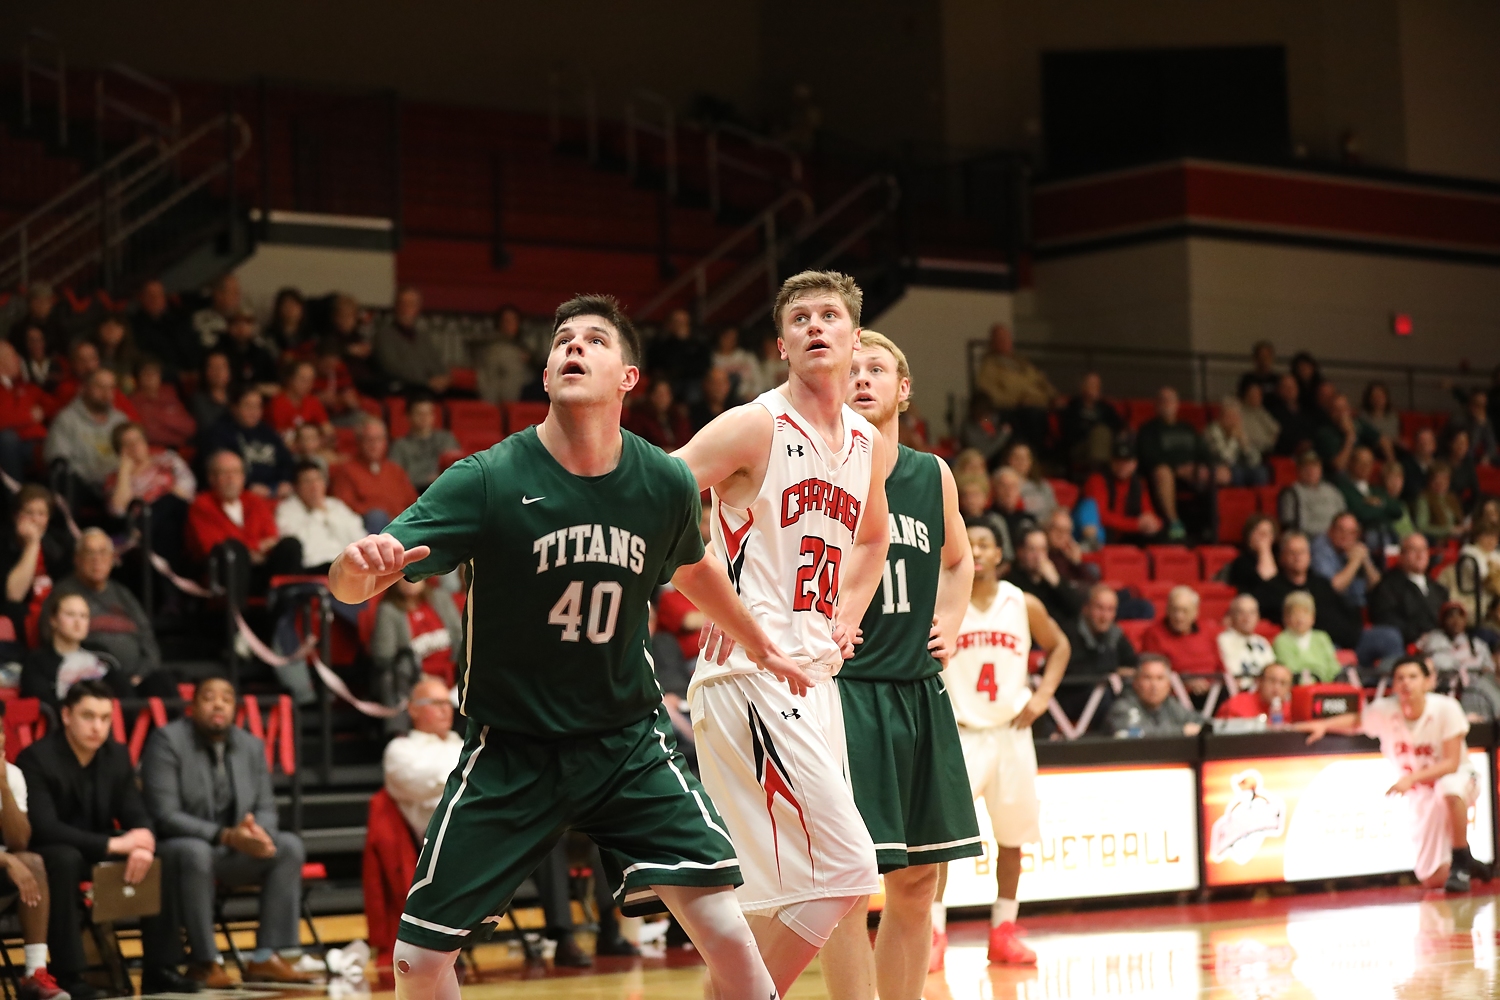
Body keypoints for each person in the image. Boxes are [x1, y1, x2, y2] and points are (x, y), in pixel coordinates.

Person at [328, 293, 797, 1000]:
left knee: (729, 933)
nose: (574, 347)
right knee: (417, 961)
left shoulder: (665, 482)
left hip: (625, 745)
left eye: (595, 340)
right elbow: (359, 580)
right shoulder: (486, 480)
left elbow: (692, 568)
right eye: (563, 342)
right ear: (546, 376)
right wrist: (354, 570)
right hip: (512, 750)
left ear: (628, 377)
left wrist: (760, 643)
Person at [672, 270, 888, 998]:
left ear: (854, 339)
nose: (816, 327)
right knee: (850, 867)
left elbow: (872, 539)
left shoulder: (865, 442)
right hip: (748, 677)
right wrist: (737, 619)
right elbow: (656, 502)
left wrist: (847, 619)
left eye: (831, 316)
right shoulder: (753, 425)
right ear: (781, 344)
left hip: (813, 680)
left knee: (794, 894)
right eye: (801, 319)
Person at [819, 332, 980, 999]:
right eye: (850, 369)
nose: (861, 378)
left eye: (876, 368)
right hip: (846, 693)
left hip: (918, 691)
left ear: (903, 387)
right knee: (851, 886)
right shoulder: (816, 471)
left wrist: (954, 618)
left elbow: (960, 558)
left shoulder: (932, 474)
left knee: (918, 882)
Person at [928, 521, 1068, 969]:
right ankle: (933, 934)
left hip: (1011, 734)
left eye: (987, 543)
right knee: (942, 840)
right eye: (971, 543)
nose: (979, 550)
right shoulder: (942, 599)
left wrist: (1043, 695)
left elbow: (1060, 645)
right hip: (961, 733)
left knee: (1013, 838)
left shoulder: (1022, 602)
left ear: (1001, 554)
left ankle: (1004, 931)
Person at [18, 679, 192, 998]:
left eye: (104, 718)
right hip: (54, 855)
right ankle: (69, 975)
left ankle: (160, 969)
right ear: (67, 715)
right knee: (63, 858)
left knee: (160, 856)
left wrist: (143, 841)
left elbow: (136, 813)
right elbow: (43, 827)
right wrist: (114, 845)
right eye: (88, 716)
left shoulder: (116, 755)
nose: (97, 727)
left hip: (97, 848)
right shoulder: (36, 758)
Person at [141, 676, 318, 986]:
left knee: (288, 846)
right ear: (192, 707)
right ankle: (205, 961)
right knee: (195, 852)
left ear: (235, 707)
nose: (218, 703)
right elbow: (165, 815)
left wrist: (258, 835)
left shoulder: (250, 745)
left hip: (233, 850)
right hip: (181, 851)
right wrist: (225, 835)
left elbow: (266, 807)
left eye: (226, 697)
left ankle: (266, 957)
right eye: (208, 697)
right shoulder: (167, 741)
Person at [1301, 656, 1486, 891]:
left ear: (1427, 682)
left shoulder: (1446, 708)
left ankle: (1461, 859)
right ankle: (1471, 866)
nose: (1406, 683)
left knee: (1448, 787)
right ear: (1394, 685)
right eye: (1400, 678)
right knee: (1432, 879)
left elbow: (1451, 764)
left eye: (1413, 677)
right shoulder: (1384, 710)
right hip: (1422, 793)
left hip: (1461, 778)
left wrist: (1409, 779)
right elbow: (1358, 722)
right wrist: (1324, 725)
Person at [1254, 530, 1403, 671]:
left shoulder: (1320, 582)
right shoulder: (1273, 588)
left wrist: (1354, 629)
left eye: (1302, 552)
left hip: (1353, 638)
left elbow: (1347, 608)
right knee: (1330, 657)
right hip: (1319, 645)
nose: (1298, 556)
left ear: (1309, 556)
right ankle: (1354, 682)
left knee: (1390, 637)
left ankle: (1382, 683)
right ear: (1282, 557)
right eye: (1292, 552)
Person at [41, 530, 166, 690]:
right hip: (93, 678)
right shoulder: (63, 594)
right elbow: (50, 637)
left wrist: (140, 675)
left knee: (163, 682)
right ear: (77, 559)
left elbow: (147, 639)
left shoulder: (123, 594)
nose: (97, 559)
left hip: (137, 677)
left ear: (112, 559)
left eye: (102, 553)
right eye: (90, 553)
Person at [0, 721, 63, 1000]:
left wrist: (2, 786)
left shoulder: (12, 775)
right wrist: (5, 861)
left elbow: (18, 842)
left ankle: (34, 974)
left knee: (32, 862)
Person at [186, 450, 303, 596]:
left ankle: (285, 612)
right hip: (225, 574)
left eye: (236, 472)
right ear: (211, 478)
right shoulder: (202, 505)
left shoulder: (254, 501)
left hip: (261, 571)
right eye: (224, 473)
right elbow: (213, 547)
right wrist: (256, 546)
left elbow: (271, 538)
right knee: (234, 551)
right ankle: (237, 615)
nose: (231, 478)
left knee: (291, 545)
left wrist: (252, 549)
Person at [381, 675, 463, 837]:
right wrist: (471, 772)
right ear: (413, 709)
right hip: (441, 838)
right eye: (436, 703)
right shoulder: (401, 749)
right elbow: (422, 786)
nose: (445, 709)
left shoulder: (465, 744)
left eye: (448, 703)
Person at [22, 593, 133, 709]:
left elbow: (127, 698)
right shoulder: (37, 661)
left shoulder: (103, 654)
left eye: (84, 616)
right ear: (53, 620)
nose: (78, 622)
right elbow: (43, 708)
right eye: (70, 615)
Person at [104, 421, 194, 564]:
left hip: (177, 514)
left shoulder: (167, 459)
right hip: (154, 532)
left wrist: (156, 507)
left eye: (138, 440)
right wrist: (125, 472)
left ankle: (137, 533)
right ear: (119, 451)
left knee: (169, 501)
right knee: (165, 528)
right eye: (127, 443)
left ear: (145, 442)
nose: (134, 447)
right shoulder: (115, 478)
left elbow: (187, 490)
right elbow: (118, 511)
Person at [371, 577, 463, 711]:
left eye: (414, 575)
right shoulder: (388, 610)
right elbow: (384, 656)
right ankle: (398, 731)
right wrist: (420, 677)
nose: (410, 581)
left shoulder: (440, 598)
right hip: (415, 681)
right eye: (403, 578)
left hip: (453, 677)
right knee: (389, 678)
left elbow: (460, 638)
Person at [1137, 386, 1213, 542]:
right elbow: (1149, 458)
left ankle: (1211, 524)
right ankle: (1173, 522)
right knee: (1163, 471)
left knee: (1214, 472)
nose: (1167, 404)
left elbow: (1204, 452)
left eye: (1171, 400)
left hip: (1192, 473)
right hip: (1163, 475)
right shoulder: (1148, 429)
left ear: (1177, 404)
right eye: (1163, 400)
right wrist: (1178, 469)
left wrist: (1199, 467)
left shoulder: (1187, 428)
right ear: (1156, 405)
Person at [2, 485, 70, 654]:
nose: (35, 520)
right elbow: (13, 596)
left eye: (41, 514)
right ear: (16, 516)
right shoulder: (3, 544)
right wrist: (32, 544)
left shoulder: (59, 545)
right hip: (17, 619)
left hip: (52, 615)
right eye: (29, 513)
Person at [44, 369, 129, 498]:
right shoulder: (67, 419)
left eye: (111, 388)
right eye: (100, 387)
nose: (107, 394)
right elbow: (58, 459)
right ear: (84, 388)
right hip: (83, 487)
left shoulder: (121, 420)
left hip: (118, 486)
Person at [202, 388, 296, 499]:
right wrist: (247, 486)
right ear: (234, 408)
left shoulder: (267, 432)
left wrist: (284, 481)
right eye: (248, 406)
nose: (254, 411)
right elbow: (220, 470)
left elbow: (286, 461)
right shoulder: (219, 433)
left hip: (275, 491)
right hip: (240, 493)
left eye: (258, 406)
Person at [973, 323, 1055, 450]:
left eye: (1007, 338)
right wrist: (1018, 400)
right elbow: (988, 393)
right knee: (1029, 418)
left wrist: (1052, 397)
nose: (1005, 342)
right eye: (1001, 339)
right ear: (993, 342)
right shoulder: (989, 366)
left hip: (1036, 404)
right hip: (1010, 409)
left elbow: (1041, 382)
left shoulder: (1022, 363)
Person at [330, 417, 418, 532]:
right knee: (376, 517)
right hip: (369, 527)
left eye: (379, 439)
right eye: (369, 440)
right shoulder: (347, 470)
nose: (374, 445)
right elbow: (344, 507)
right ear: (359, 442)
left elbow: (413, 502)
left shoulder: (395, 470)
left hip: (401, 524)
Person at [276, 461, 366, 571]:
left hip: (344, 565)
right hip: (311, 569)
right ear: (296, 487)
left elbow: (358, 537)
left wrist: (328, 515)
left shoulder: (336, 505)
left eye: (318, 480)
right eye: (307, 481)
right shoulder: (287, 509)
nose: (314, 486)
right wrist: (317, 513)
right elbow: (300, 549)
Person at [1370, 532, 1450, 646]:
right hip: (1409, 644)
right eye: (1413, 550)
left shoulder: (1439, 589)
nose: (1420, 555)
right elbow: (1387, 619)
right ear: (1401, 556)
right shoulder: (1388, 586)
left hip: (1443, 642)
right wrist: (1417, 635)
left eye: (1423, 550)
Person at [1082, 435, 1163, 543]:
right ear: (1111, 461)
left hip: (1127, 535)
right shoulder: (1097, 479)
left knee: (1159, 536)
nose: (1122, 466)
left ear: (1135, 464)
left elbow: (1148, 513)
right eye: (1118, 461)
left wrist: (1154, 523)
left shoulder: (1138, 483)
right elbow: (1100, 516)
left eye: (1126, 461)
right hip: (1102, 534)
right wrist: (1135, 525)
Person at [373, 287, 452, 396]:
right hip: (406, 391)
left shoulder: (424, 338)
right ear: (396, 306)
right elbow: (391, 368)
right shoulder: (384, 336)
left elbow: (439, 364)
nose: (406, 309)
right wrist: (426, 382)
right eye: (403, 304)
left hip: (433, 391)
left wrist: (443, 379)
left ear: (418, 308)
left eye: (411, 304)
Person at [1104, 654, 1202, 736]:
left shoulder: (1170, 704)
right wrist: (1181, 731)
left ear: (1168, 684)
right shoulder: (1122, 707)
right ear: (1136, 682)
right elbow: (1130, 733)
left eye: (1160, 678)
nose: (1154, 685)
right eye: (1147, 678)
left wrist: (1213, 726)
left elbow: (1198, 721)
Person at [1005, 527, 1085, 626]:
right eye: (1032, 549)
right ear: (1021, 552)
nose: (1039, 556)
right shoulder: (1010, 582)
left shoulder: (1053, 578)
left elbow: (1076, 608)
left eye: (1042, 549)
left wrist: (1057, 582)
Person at [1140, 586, 1221, 681]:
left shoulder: (1207, 630)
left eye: (1185, 611)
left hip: (1214, 687)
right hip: (1176, 688)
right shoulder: (1153, 633)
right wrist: (1186, 681)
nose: (1179, 616)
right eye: (1174, 610)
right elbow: (1154, 673)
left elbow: (1220, 665)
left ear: (1195, 612)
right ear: (1167, 609)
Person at [1312, 512, 1384, 611]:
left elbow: (1377, 586)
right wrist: (1355, 561)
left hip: (1355, 609)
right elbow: (1333, 588)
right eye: (1341, 530)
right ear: (1330, 530)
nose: (1345, 536)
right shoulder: (1321, 548)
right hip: (1327, 609)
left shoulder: (1355, 549)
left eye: (1351, 532)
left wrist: (1366, 561)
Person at [0, 341, 50, 482]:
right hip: (16, 444)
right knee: (7, 438)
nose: (18, 360)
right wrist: (29, 416)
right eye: (13, 356)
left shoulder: (24, 387)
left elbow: (51, 405)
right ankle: (17, 495)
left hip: (40, 441)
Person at [1335, 446, 1405, 546]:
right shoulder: (1345, 490)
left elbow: (1398, 511)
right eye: (1361, 462)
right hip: (1364, 539)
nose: (1365, 466)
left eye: (1369, 462)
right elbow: (1360, 513)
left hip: (1389, 535)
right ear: (1351, 463)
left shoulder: (1377, 490)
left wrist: (1381, 503)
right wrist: (1382, 509)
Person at [388, 397, 460, 492]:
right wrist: (428, 479)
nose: (425, 418)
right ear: (408, 416)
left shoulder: (446, 439)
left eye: (429, 413)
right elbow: (396, 479)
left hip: (445, 491)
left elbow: (457, 471)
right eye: (419, 414)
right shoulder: (399, 446)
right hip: (415, 494)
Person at [129, 279, 196, 379]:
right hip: (160, 378)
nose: (155, 299)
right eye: (150, 295)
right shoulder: (135, 326)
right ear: (141, 298)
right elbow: (143, 359)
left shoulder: (179, 320)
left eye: (159, 295)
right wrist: (177, 375)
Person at [1271, 590, 1342, 683]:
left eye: (1305, 613)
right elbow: (1290, 670)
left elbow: (1333, 667)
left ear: (1313, 617)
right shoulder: (1281, 640)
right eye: (1295, 613)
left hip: (1327, 687)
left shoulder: (1322, 638)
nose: (1300, 618)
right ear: (1286, 617)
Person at [645, 308, 710, 403]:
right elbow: (657, 364)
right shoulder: (660, 342)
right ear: (669, 324)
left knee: (693, 389)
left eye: (683, 322)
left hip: (692, 379)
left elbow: (703, 365)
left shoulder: (698, 342)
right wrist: (678, 342)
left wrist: (683, 342)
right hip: (668, 378)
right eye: (676, 322)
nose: (680, 326)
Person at [1278, 447, 1347, 537]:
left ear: (1320, 469)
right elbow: (1291, 526)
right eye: (1306, 467)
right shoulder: (1291, 493)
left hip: (1338, 538)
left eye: (1315, 466)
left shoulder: (1332, 491)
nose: (1311, 471)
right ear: (1298, 470)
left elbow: (1344, 517)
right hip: (1310, 539)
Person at [130, 358, 196, 450]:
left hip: (179, 449)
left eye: (154, 373)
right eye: (146, 373)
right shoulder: (134, 401)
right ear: (138, 378)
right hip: (150, 449)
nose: (151, 377)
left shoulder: (170, 394)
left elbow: (189, 427)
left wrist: (158, 417)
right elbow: (149, 434)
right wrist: (170, 416)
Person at [475, 304, 533, 405]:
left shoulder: (522, 347)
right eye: (506, 321)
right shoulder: (493, 349)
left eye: (513, 320)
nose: (509, 325)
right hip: (504, 402)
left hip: (525, 397)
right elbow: (488, 382)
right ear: (499, 323)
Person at [1204, 398, 1269, 486]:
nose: (1234, 420)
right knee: (1237, 473)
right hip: (1219, 468)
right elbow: (1226, 459)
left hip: (1239, 467)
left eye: (1236, 416)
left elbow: (1255, 461)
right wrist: (1234, 439)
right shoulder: (1213, 431)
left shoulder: (1240, 432)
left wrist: (1245, 445)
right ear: (1222, 417)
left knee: (1261, 472)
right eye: (1230, 416)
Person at [215, 307, 279, 396]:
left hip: (257, 400)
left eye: (246, 323)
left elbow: (275, 386)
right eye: (236, 323)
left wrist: (257, 388)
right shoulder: (219, 353)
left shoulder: (261, 353)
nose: (241, 328)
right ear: (228, 327)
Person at [1218, 594, 1277, 689]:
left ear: (1258, 617)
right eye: (1241, 612)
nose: (1247, 618)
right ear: (1232, 615)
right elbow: (1232, 676)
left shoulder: (1262, 641)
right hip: (1240, 692)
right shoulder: (1223, 641)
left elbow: (1273, 671)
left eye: (1252, 613)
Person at [267, 359, 332, 440]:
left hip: (312, 446)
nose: (308, 384)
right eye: (302, 379)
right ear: (290, 379)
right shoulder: (278, 403)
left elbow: (328, 430)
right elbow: (281, 437)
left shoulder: (312, 400)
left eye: (310, 380)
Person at [627, 379, 692, 451]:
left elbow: (687, 439)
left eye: (666, 394)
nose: (663, 398)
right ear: (651, 396)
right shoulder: (639, 418)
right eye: (659, 394)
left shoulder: (677, 416)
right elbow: (637, 446)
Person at [1215, 662, 1294, 720]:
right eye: (1272, 681)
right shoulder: (1236, 705)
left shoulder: (1293, 711)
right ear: (1259, 681)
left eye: (1283, 683)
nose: (1277, 688)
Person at [1225, 513, 1279, 594]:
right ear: (1249, 536)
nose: (1263, 538)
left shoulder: (1281, 559)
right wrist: (1264, 550)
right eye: (1259, 533)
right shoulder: (1241, 563)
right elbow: (1267, 579)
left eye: (1267, 533)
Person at [8, 281, 68, 354]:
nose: (42, 306)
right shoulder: (18, 329)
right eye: (38, 301)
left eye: (45, 301)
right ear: (29, 303)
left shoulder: (58, 328)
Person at [1004, 442, 1057, 520]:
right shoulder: (1003, 485)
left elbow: (1054, 510)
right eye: (1017, 457)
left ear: (1030, 462)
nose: (1021, 462)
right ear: (1009, 460)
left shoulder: (1043, 485)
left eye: (1025, 458)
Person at [1415, 462, 1465, 545]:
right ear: (1430, 480)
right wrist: (1448, 530)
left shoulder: (1452, 498)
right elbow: (1422, 527)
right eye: (1437, 479)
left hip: (1457, 541)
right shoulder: (1424, 498)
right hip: (1437, 542)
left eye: (1445, 479)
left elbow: (1459, 520)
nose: (1441, 482)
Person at [188, 350, 233, 440]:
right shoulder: (198, 400)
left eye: (222, 367)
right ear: (205, 371)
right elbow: (209, 428)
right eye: (213, 367)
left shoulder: (237, 398)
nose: (218, 372)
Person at [1268, 372, 1316, 456]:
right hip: (1285, 456)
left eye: (1292, 386)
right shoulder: (1272, 414)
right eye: (1285, 387)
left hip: (1309, 454)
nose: (1290, 390)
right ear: (1278, 390)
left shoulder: (1307, 411)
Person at [958, 394, 1011, 470]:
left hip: (1001, 464)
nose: (986, 419)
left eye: (987, 415)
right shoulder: (968, 428)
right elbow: (984, 452)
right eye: (982, 415)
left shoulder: (997, 420)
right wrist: (1003, 435)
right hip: (980, 465)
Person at [709, 325, 762, 401]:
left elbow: (758, 379)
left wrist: (754, 395)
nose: (730, 340)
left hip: (749, 398)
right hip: (725, 400)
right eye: (727, 337)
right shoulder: (714, 359)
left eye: (733, 338)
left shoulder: (747, 357)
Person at [191, 274, 240, 350]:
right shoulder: (202, 319)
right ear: (218, 295)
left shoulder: (240, 317)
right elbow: (207, 345)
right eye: (233, 292)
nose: (237, 297)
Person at [92, 315, 140, 393]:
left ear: (124, 331)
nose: (111, 331)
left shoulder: (132, 356)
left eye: (116, 327)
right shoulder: (91, 353)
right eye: (107, 327)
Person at [1453, 389, 1500, 466]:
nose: (1481, 409)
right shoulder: (1459, 419)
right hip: (1461, 456)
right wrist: (1478, 425)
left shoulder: (1485, 421)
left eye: (1484, 405)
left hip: (1474, 457)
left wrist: (1487, 456)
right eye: (1478, 405)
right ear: (1470, 405)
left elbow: (1492, 445)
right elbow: (1468, 448)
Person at [1236, 381, 1280, 461]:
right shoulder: (1239, 412)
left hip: (1267, 450)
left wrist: (1269, 443)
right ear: (1246, 395)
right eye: (1252, 394)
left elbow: (1275, 430)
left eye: (1258, 395)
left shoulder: (1262, 411)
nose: (1256, 397)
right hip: (1248, 451)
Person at [263, 287, 310, 355]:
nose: (291, 309)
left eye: (294, 305)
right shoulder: (271, 335)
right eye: (286, 305)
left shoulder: (310, 334)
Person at [689, 366, 736, 432]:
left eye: (722, 382)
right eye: (715, 382)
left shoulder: (737, 410)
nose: (719, 387)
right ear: (705, 384)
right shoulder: (692, 413)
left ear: (729, 385)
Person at [1401, 426, 1439, 503]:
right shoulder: (1406, 467)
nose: (1425, 445)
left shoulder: (1440, 466)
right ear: (1416, 444)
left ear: (1434, 445)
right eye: (1422, 442)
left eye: (1428, 442)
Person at [1361, 381, 1401, 449]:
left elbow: (1394, 435)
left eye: (1381, 396)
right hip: (1373, 448)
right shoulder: (1363, 417)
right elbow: (1369, 437)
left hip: (1393, 446)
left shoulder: (1392, 416)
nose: (1378, 399)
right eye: (1375, 396)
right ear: (1369, 399)